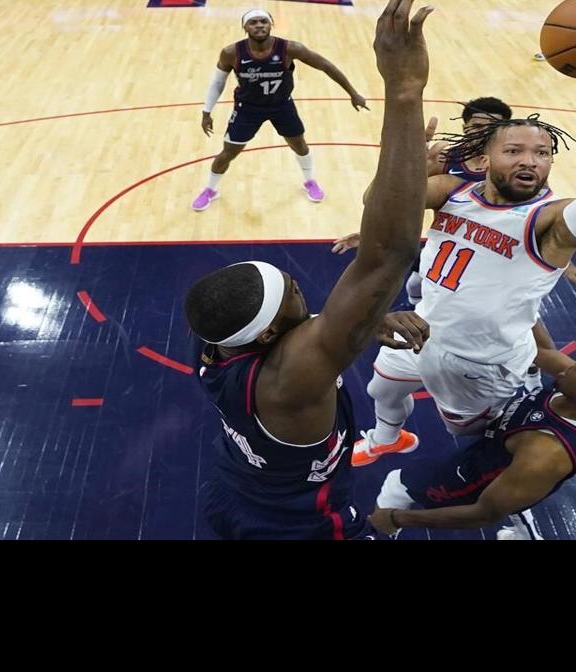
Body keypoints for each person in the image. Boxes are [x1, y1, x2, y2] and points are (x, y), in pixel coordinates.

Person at [351, 34, 576, 465]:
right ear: (483, 160)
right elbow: (375, 203)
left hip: (479, 366)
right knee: (381, 387)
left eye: (542, 153)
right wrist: (409, 166)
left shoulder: (546, 221)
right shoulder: (453, 191)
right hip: (426, 327)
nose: (530, 160)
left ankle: (496, 461)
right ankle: (387, 437)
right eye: (514, 150)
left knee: (470, 439)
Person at [183, 0, 434, 539]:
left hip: (232, 490)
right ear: (270, 333)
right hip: (300, 522)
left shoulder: (212, 339)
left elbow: (302, 331)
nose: (301, 288)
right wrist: (404, 92)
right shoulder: (293, 378)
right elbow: (389, 252)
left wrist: (364, 322)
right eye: (293, 292)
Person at [367, 346, 576, 539]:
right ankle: (523, 521)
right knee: (518, 496)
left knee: (398, 482)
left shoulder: (544, 454)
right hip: (507, 463)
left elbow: (483, 514)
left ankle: (382, 529)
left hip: (475, 481)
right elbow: (537, 345)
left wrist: (396, 518)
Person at [192, 7, 370, 211]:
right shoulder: (231, 53)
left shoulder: (290, 48)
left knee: (299, 144)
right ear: (245, 27)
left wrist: (353, 93)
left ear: (271, 24)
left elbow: (325, 65)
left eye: (263, 21)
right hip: (247, 109)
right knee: (228, 152)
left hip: (282, 105)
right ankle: (210, 190)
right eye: (253, 22)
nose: (259, 25)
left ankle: (310, 181)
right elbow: (217, 82)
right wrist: (207, 111)